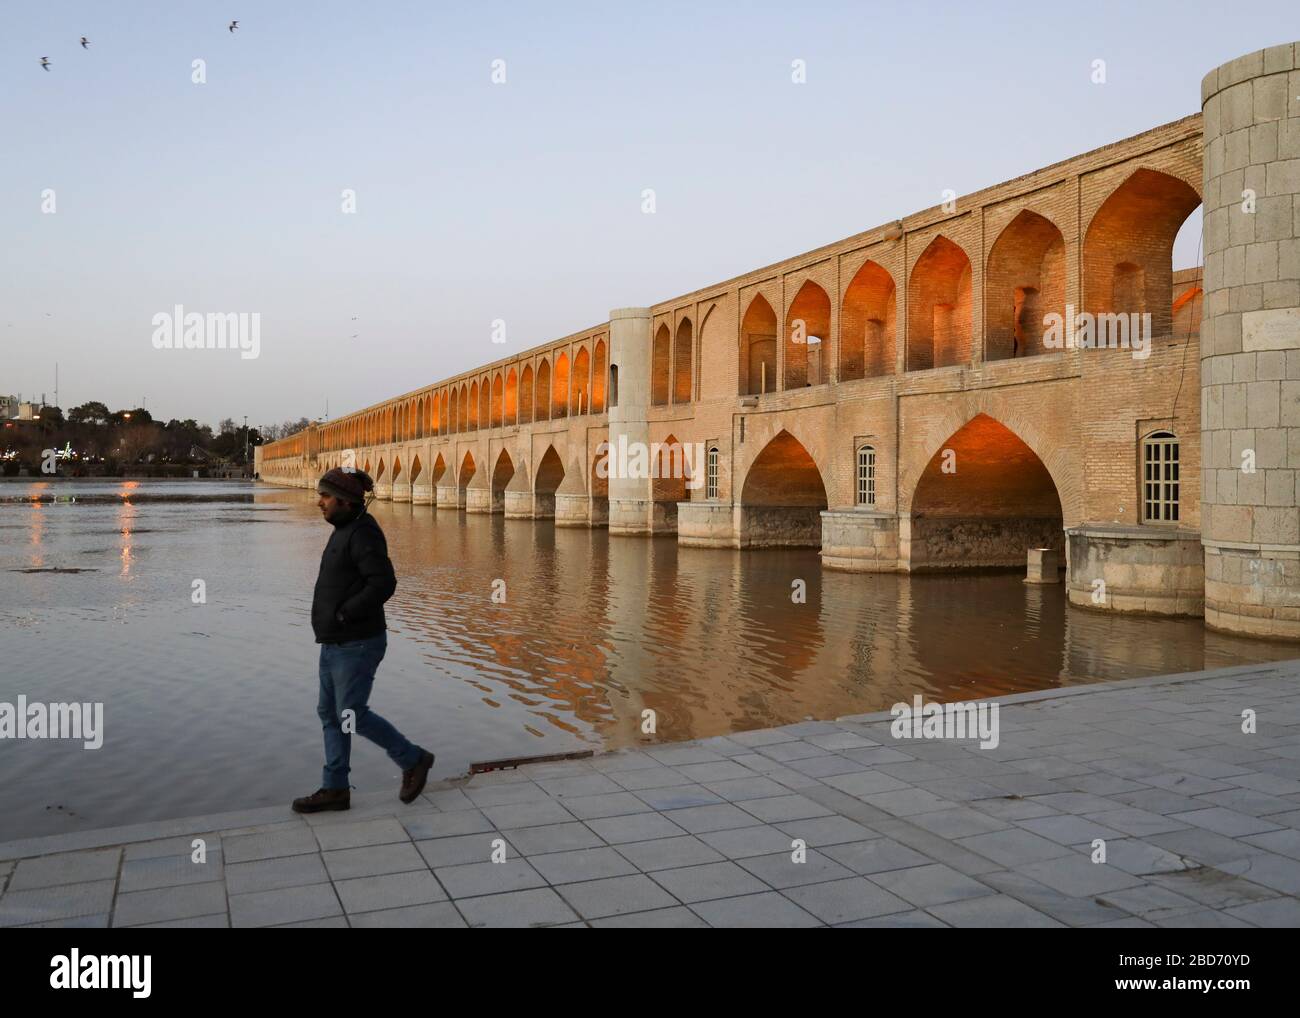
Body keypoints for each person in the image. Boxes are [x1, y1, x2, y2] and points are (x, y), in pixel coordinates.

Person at [291, 467, 434, 813]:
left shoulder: (363, 533)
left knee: (350, 712)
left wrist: (346, 614)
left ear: (345, 500)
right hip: (335, 642)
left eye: (325, 496)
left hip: (357, 641)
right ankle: (335, 787)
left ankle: (412, 759)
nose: (319, 502)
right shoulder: (344, 530)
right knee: (330, 713)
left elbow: (383, 583)